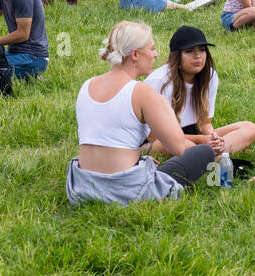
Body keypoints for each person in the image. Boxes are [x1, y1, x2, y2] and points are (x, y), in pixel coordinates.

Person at [66, 21, 216, 205]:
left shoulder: (87, 85)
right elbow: (177, 147)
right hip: (128, 190)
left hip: (82, 187)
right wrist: (164, 104)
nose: (156, 54)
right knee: (204, 153)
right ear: (135, 54)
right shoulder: (141, 92)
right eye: (151, 49)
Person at [142, 25, 255, 157]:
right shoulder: (160, 81)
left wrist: (213, 138)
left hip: (193, 134)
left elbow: (204, 123)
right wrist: (201, 140)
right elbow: (153, 137)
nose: (197, 56)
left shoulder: (209, 75)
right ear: (177, 56)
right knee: (187, 146)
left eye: (202, 50)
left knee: (249, 128)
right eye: (189, 51)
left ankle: (213, 154)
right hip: (159, 141)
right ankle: (211, 156)